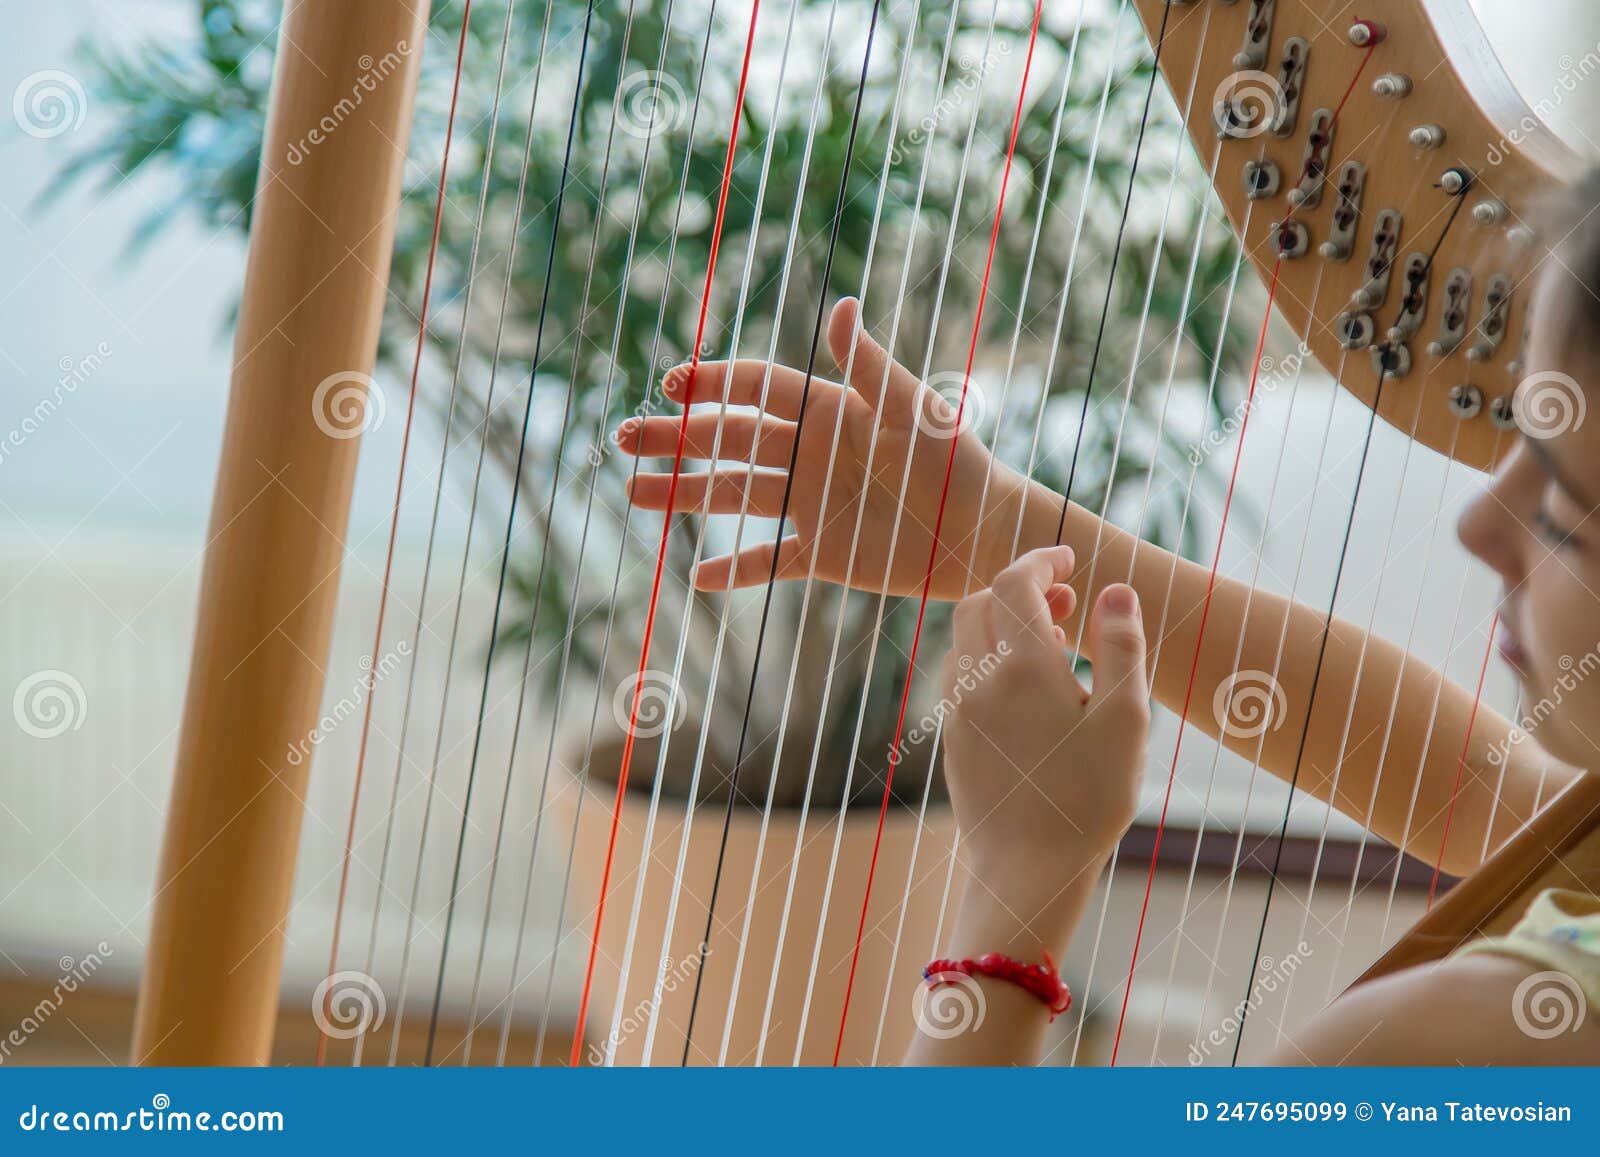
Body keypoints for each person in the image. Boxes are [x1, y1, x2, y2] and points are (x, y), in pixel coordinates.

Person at [613, 174, 1600, 1064]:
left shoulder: (1478, 1038)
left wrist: (1020, 876)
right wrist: (999, 525)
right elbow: (1485, 794)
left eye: (1560, 498)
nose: (1480, 519)